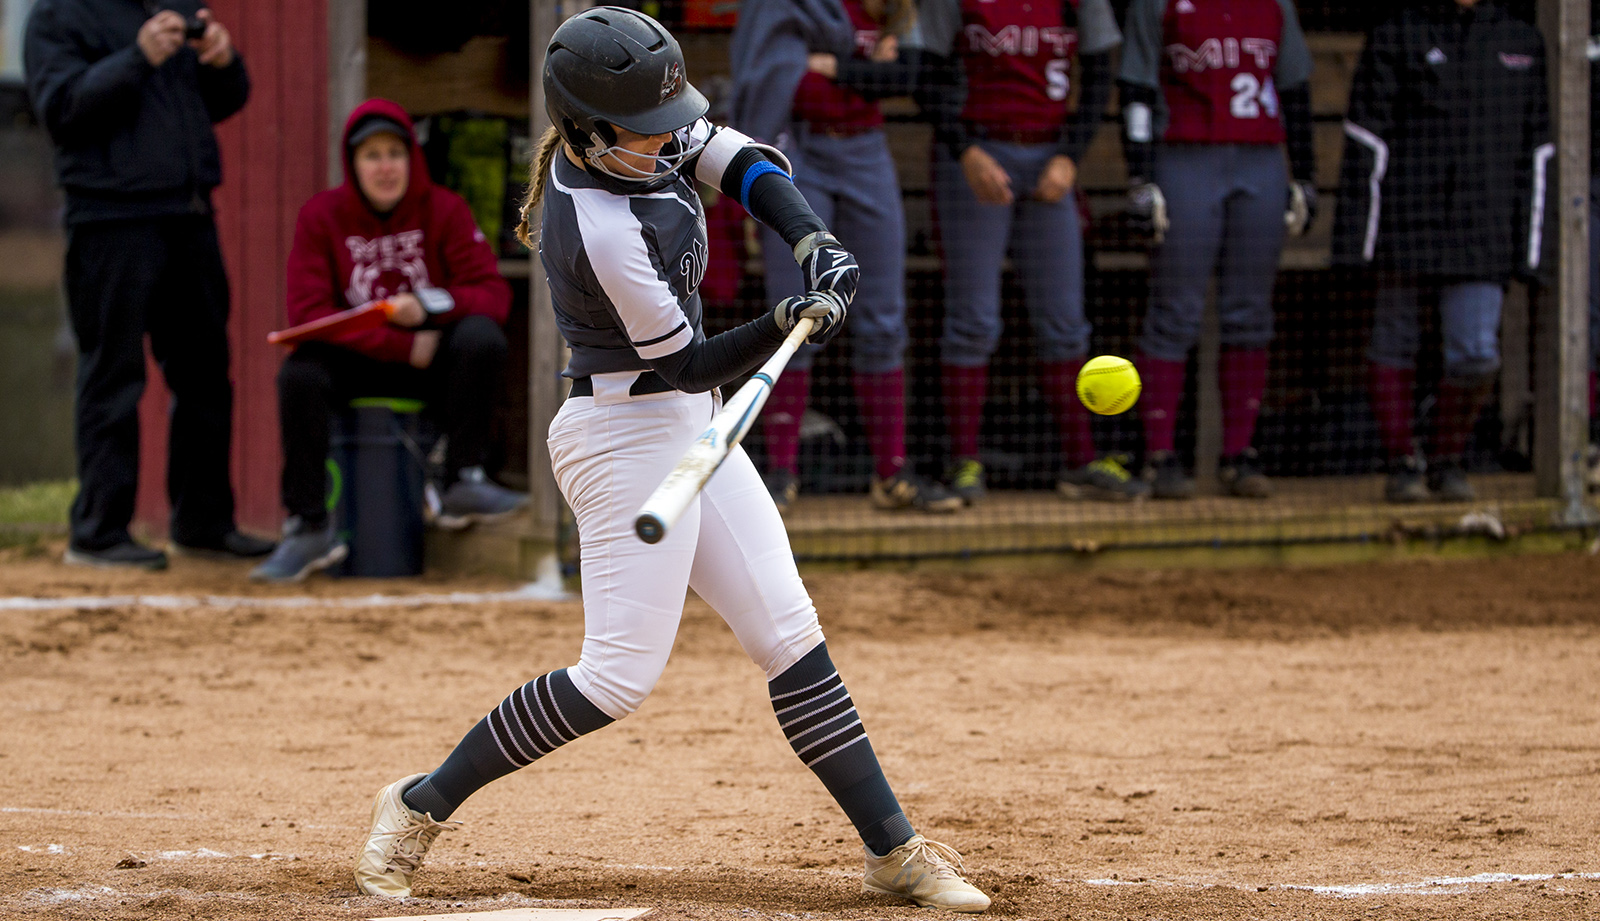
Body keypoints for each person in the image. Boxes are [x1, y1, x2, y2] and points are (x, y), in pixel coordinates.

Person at [352, 8, 989, 913]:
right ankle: (418, 804)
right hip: (619, 435)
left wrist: (811, 240)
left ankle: (893, 849)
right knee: (615, 676)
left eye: (665, 126)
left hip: (694, 423)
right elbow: (684, 358)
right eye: (646, 135)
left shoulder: (635, 126)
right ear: (587, 128)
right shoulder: (598, 227)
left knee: (788, 633)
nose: (665, 143)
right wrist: (786, 319)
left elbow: (742, 162)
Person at [24, 0, 274, 569]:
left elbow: (225, 101)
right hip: (108, 220)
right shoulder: (57, 16)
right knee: (114, 375)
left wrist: (222, 61)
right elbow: (61, 109)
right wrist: (137, 57)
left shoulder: (171, 5)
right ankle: (99, 531)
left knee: (206, 374)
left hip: (188, 214)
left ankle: (203, 524)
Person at [249, 100, 524, 583]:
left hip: (436, 360)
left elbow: (493, 294)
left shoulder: (445, 209)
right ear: (352, 163)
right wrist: (400, 347)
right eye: (371, 155)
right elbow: (308, 315)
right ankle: (309, 524)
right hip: (361, 358)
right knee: (299, 372)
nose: (385, 167)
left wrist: (430, 307)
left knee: (482, 336)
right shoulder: (321, 216)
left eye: (395, 153)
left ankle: (463, 479)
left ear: (411, 157)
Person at [910, 0, 1146, 504]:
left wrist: (1070, 155)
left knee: (1064, 320)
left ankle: (1081, 463)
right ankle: (964, 462)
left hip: (1048, 159)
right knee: (973, 320)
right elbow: (922, 73)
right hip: (976, 157)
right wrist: (964, 150)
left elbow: (1102, 71)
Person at [731, 0, 961, 513]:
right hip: (799, 153)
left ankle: (891, 474)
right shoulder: (794, 6)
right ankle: (780, 474)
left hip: (866, 152)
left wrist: (835, 67)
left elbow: (906, 77)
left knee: (883, 318)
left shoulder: (897, 10)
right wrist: (863, 71)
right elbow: (776, 79)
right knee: (795, 309)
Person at [1333, 0, 1550, 502]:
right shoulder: (1397, 33)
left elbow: (1539, 151)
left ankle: (1445, 456)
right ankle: (1401, 462)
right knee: (1393, 340)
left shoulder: (1522, 41)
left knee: (1476, 353)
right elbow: (1365, 140)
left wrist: (1533, 250)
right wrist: (1356, 242)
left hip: (1484, 229)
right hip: (1405, 222)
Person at [1118, 0, 1317, 500]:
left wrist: (1307, 175)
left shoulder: (1274, 5)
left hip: (1260, 160)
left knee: (1249, 311)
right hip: (1186, 157)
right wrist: (1139, 175)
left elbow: (1294, 87)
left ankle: (1239, 455)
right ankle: (1160, 455)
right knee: (1174, 311)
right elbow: (1137, 89)